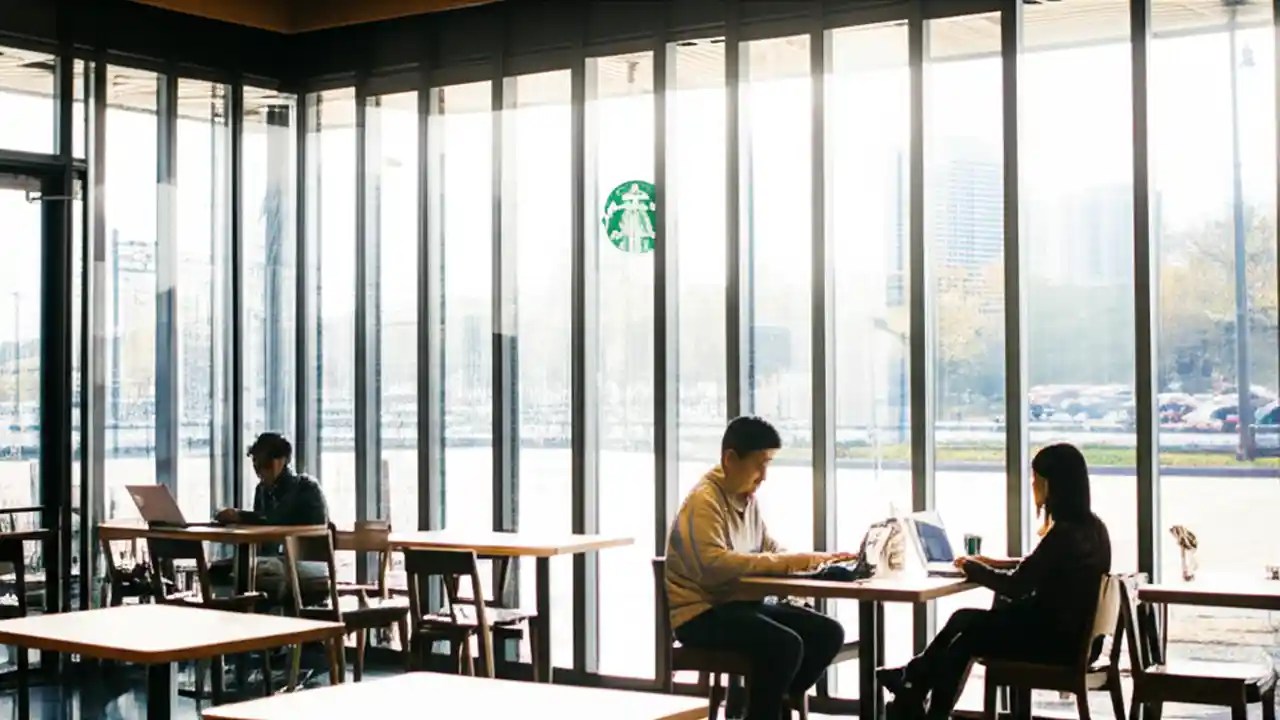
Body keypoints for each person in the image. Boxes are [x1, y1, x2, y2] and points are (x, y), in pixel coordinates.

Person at [877, 443, 1112, 720]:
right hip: (1076, 640)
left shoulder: (1064, 533)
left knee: (968, 635)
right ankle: (915, 685)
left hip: (1055, 644)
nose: (1033, 485)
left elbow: (1017, 586)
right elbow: (1043, 567)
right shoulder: (1092, 528)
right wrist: (994, 563)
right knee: (964, 621)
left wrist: (974, 569)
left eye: (1036, 479)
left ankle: (920, 694)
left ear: (1051, 484)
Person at [665, 416, 854, 720]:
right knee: (785, 646)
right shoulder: (704, 501)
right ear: (730, 459)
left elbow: (768, 549)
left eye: (769, 464)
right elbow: (715, 565)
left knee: (828, 632)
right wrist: (790, 562)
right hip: (702, 614)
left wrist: (816, 562)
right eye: (760, 463)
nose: (764, 475)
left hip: (739, 606)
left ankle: (771, 704)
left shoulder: (746, 498)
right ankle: (765, 710)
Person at [212, 432, 329, 600]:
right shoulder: (263, 491)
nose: (261, 471)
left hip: (309, 562)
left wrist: (239, 516)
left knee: (250, 572)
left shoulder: (306, 488)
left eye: (265, 464)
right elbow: (263, 534)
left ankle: (251, 614)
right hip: (277, 559)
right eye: (256, 464)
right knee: (217, 571)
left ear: (283, 460)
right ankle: (238, 615)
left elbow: (276, 520)